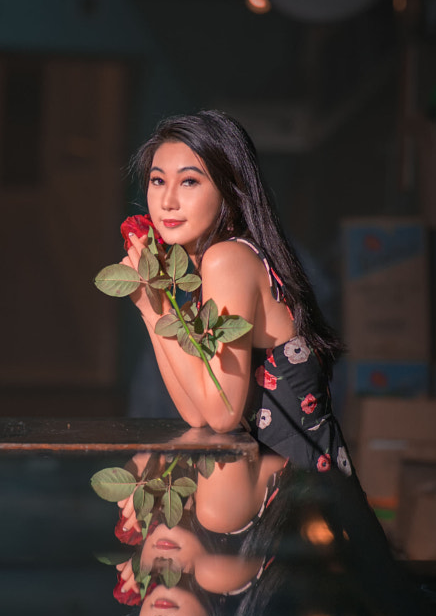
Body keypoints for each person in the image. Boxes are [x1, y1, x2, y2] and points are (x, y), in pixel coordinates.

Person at [123, 109, 351, 472]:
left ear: (230, 189)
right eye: (156, 180)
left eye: (189, 182)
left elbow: (223, 415)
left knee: (213, 512)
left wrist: (154, 309)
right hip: (274, 492)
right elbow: (197, 413)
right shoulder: (212, 268)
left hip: (299, 500)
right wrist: (151, 305)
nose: (167, 200)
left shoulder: (227, 259)